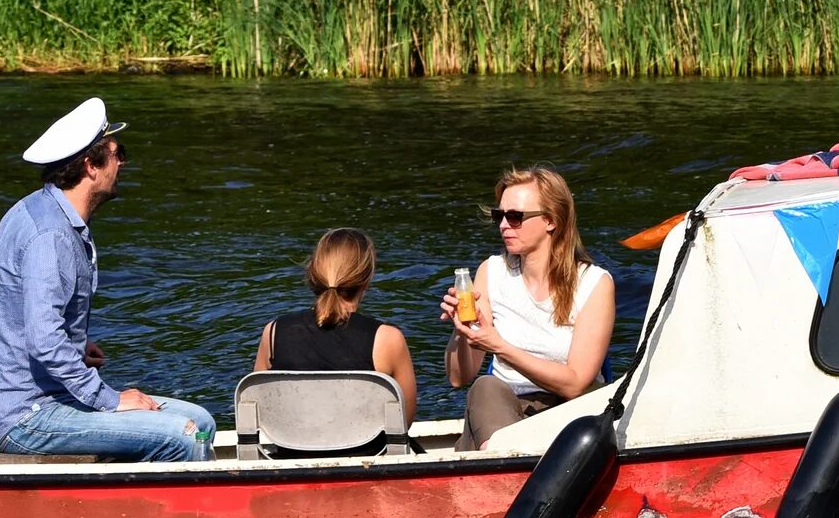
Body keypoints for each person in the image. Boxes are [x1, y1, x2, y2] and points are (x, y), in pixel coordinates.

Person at [0, 96, 217, 461]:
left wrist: (76, 342)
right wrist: (111, 400)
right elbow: (42, 341)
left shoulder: (39, 209)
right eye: (119, 153)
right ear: (91, 165)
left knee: (201, 421)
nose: (123, 162)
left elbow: (31, 317)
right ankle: (161, 517)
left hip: (49, 394)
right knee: (185, 436)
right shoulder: (51, 236)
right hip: (28, 414)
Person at [441, 166, 615, 450]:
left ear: (551, 220)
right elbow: (459, 377)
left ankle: (498, 469)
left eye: (515, 217)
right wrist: (462, 332)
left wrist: (500, 347)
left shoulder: (594, 283)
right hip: (502, 407)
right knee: (484, 388)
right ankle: (501, 465)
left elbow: (575, 384)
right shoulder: (491, 271)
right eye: (500, 216)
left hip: (569, 413)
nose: (503, 225)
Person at [255, 228, 418, 422]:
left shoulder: (273, 333)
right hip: (368, 452)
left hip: (291, 452)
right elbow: (404, 420)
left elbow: (259, 410)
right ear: (366, 281)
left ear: (314, 274)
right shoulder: (388, 339)